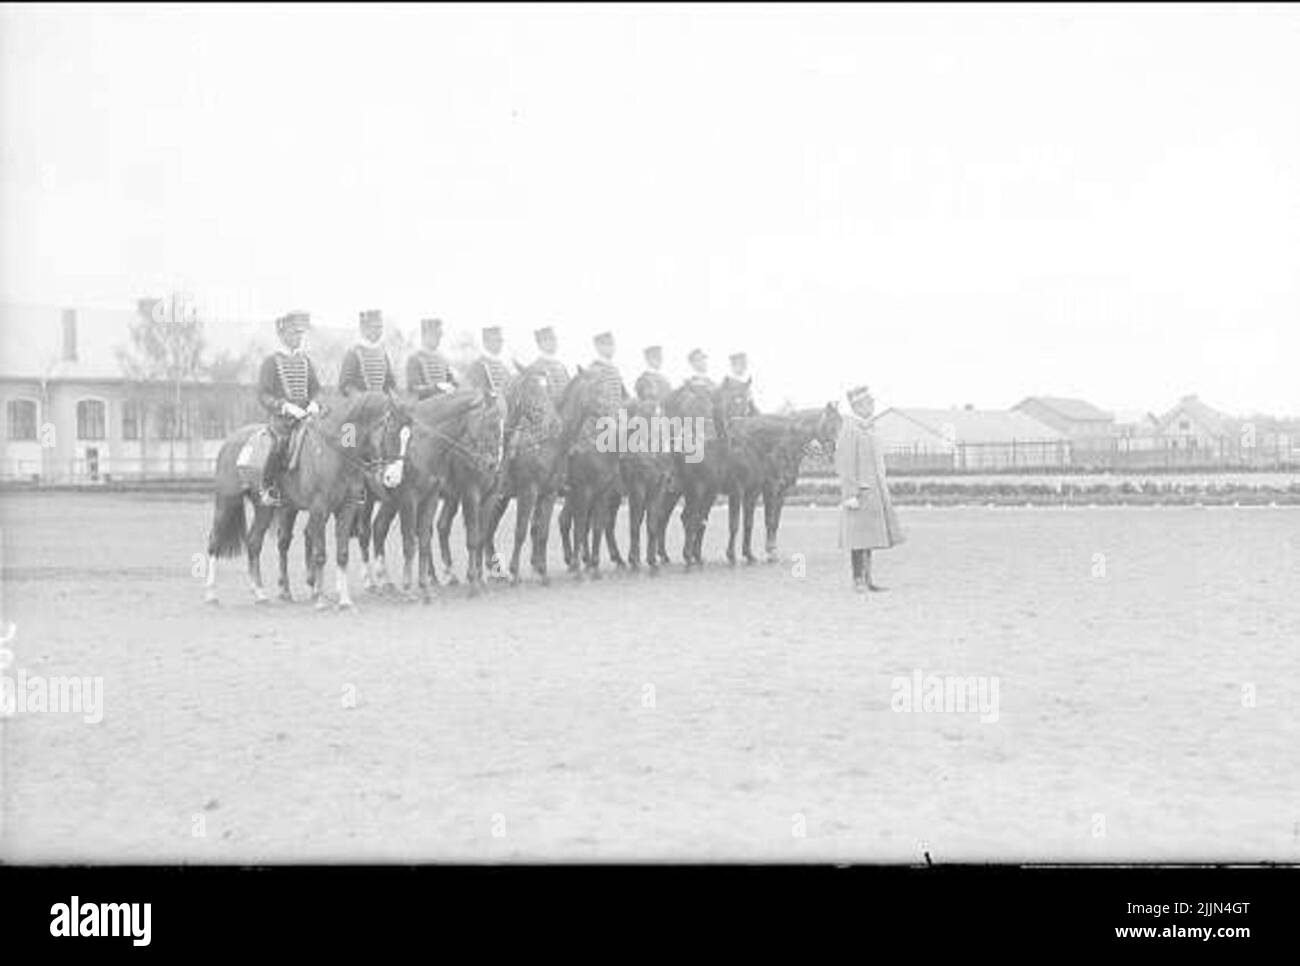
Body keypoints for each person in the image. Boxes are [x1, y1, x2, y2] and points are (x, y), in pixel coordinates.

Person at [834, 385, 904, 593]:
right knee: (858, 539)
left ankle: (868, 577)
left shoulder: (869, 428)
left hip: (873, 492)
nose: (872, 406)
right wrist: (850, 494)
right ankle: (858, 580)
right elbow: (845, 464)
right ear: (857, 406)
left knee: (869, 539)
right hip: (859, 494)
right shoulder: (849, 429)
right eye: (868, 403)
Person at [255, 311, 322, 506]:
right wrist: (285, 406)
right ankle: (268, 487)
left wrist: (314, 403)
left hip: (307, 416)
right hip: (283, 419)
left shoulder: (305, 361)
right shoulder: (271, 362)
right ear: (282, 335)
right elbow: (264, 394)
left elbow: (316, 389)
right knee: (279, 445)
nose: (298, 337)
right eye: (294, 333)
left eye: (300, 333)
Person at [338, 309, 398, 398]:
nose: (377, 331)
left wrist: (391, 396)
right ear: (364, 328)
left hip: (381, 404)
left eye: (380, 327)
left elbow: (389, 383)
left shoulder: (382, 352)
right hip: (360, 405)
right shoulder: (354, 352)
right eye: (374, 327)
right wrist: (362, 400)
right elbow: (346, 384)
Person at [406, 317, 457, 400]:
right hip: (425, 408)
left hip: (445, 405)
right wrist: (436, 387)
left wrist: (454, 385)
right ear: (427, 332)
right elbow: (414, 390)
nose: (439, 338)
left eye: (440, 335)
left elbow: (451, 381)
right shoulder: (415, 358)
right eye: (436, 334)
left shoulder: (442, 358)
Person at [531, 325, 570, 405]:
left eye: (554, 339)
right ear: (540, 344)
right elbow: (541, 394)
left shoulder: (561, 365)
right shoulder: (537, 367)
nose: (554, 343)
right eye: (549, 340)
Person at [720, 351, 759, 418]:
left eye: (744, 362)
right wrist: (700, 428)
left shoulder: (746, 385)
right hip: (731, 425)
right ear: (733, 364)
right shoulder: (726, 385)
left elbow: (751, 408)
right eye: (742, 363)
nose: (745, 366)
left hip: (746, 423)